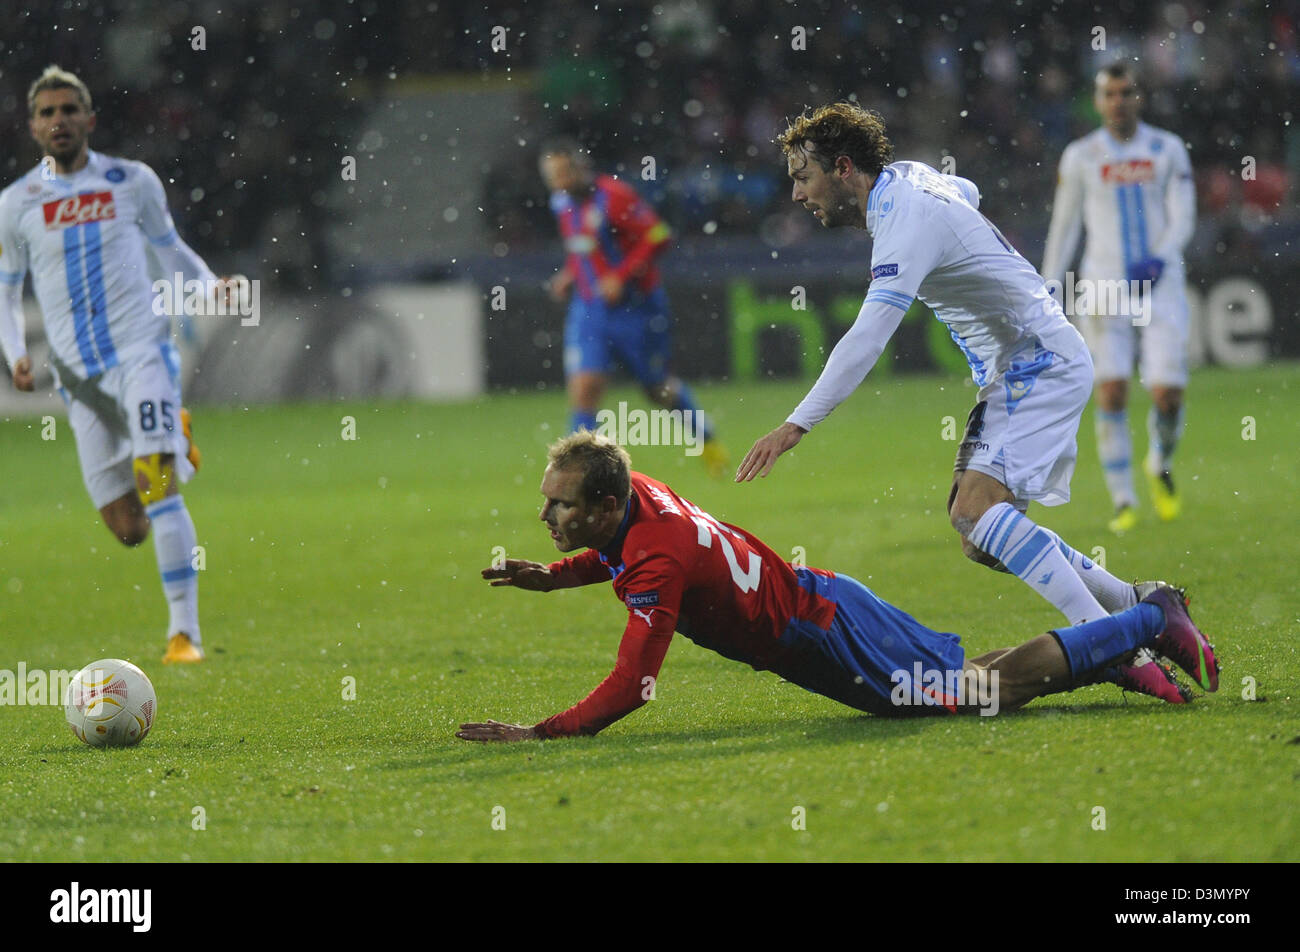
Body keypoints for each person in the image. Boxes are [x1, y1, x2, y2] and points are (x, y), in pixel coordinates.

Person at [733, 102, 1191, 702]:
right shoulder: (915, 179)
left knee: (975, 512)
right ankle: (1137, 602)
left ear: (844, 168)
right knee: (980, 537)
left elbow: (869, 336)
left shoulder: (903, 219)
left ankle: (1113, 641)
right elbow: (966, 190)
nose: (796, 194)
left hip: (1037, 362)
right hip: (1016, 368)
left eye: (803, 176)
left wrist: (796, 424)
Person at [457, 432, 1217, 742]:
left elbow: (630, 685)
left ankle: (1148, 618)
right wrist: (557, 576)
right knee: (969, 680)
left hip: (826, 636)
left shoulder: (654, 562)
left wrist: (539, 733)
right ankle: (1108, 647)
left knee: (987, 693)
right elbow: (623, 556)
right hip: (827, 600)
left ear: (604, 503)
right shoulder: (641, 503)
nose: (545, 513)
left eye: (561, 504)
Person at [0, 66, 234, 663]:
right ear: (32, 127)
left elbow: (170, 249)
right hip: (78, 378)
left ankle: (185, 635)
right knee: (130, 529)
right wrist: (16, 354)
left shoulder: (131, 182)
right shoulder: (15, 204)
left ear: (90, 120)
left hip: (142, 354)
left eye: (69, 110)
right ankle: (170, 436)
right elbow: (6, 291)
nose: (59, 121)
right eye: (48, 113)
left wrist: (208, 285)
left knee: (157, 483)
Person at [1041, 62, 1197, 533]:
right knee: (1111, 389)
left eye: (1126, 92)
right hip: (1103, 286)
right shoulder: (1081, 155)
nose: (1118, 101)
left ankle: (1160, 463)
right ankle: (1124, 500)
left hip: (1160, 284)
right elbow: (1064, 226)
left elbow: (1184, 215)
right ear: (1097, 100)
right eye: (1109, 93)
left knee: (1167, 394)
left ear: (1139, 97)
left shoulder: (1167, 149)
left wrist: (1162, 255)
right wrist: (1048, 286)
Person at [539, 137, 728, 475]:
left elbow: (657, 235)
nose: (561, 182)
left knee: (658, 389)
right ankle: (573, 475)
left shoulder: (614, 196)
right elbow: (584, 246)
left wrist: (621, 276)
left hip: (637, 310)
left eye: (565, 173)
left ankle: (706, 439)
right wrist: (571, 273)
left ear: (581, 168)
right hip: (590, 309)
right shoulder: (560, 203)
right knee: (585, 388)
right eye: (553, 176)